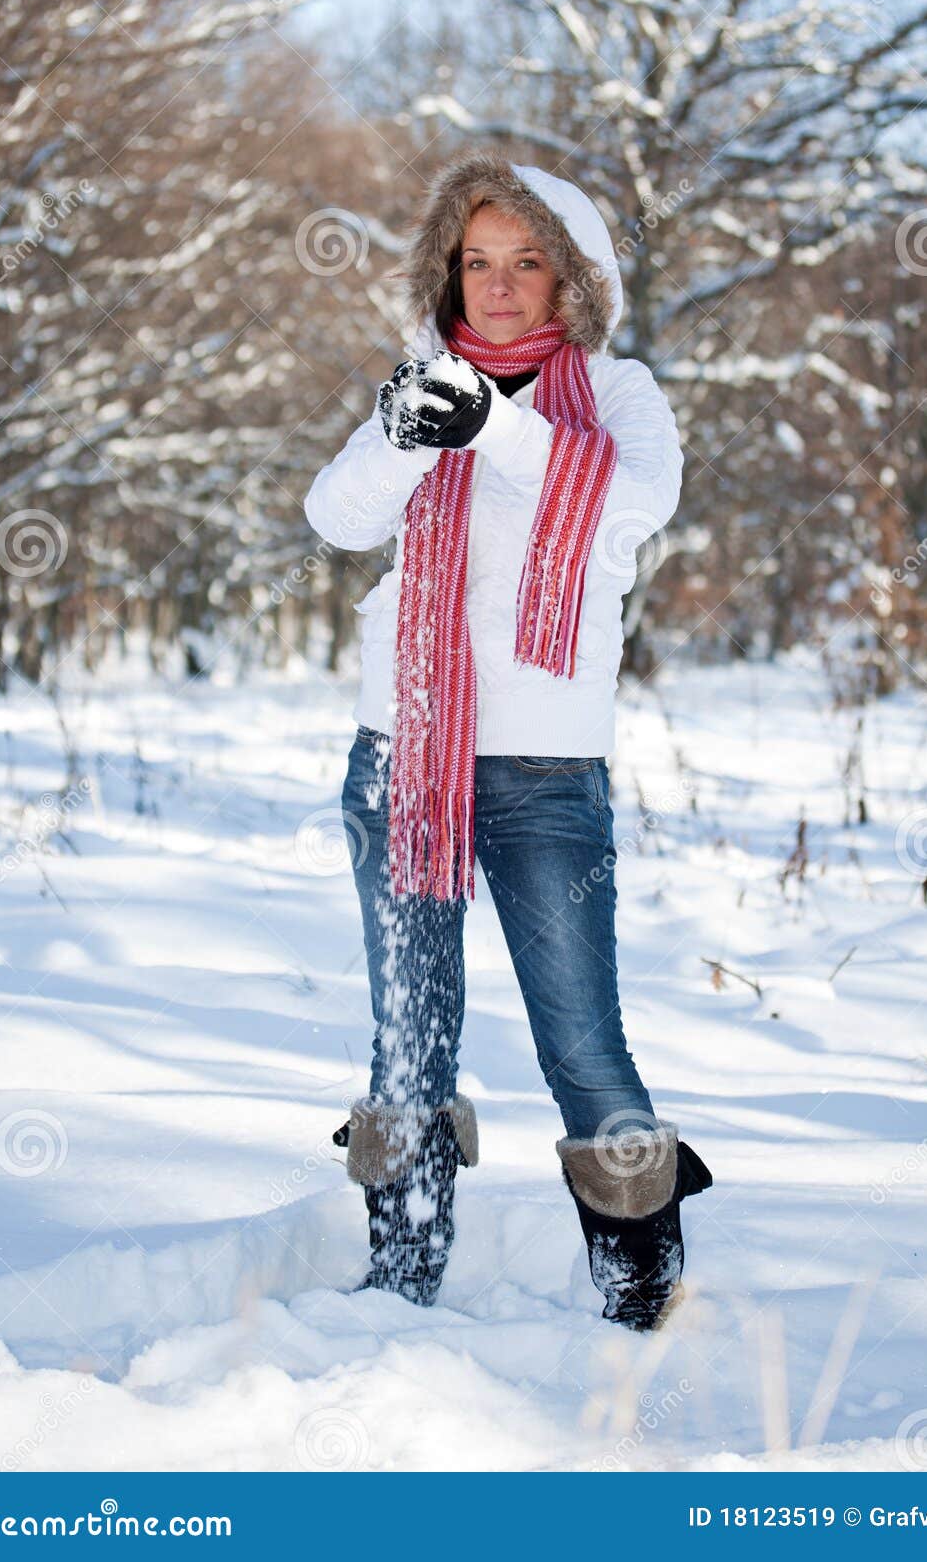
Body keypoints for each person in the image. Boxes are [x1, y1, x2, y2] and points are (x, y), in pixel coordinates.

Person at [304, 148, 712, 1332]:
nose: (494, 284)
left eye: (524, 260)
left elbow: (627, 509)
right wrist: (401, 431)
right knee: (406, 1045)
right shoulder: (423, 384)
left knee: (581, 1041)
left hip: (542, 771)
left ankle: (640, 1294)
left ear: (569, 276)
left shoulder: (616, 395)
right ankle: (399, 1285)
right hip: (402, 759)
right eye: (474, 261)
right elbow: (334, 518)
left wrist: (495, 425)